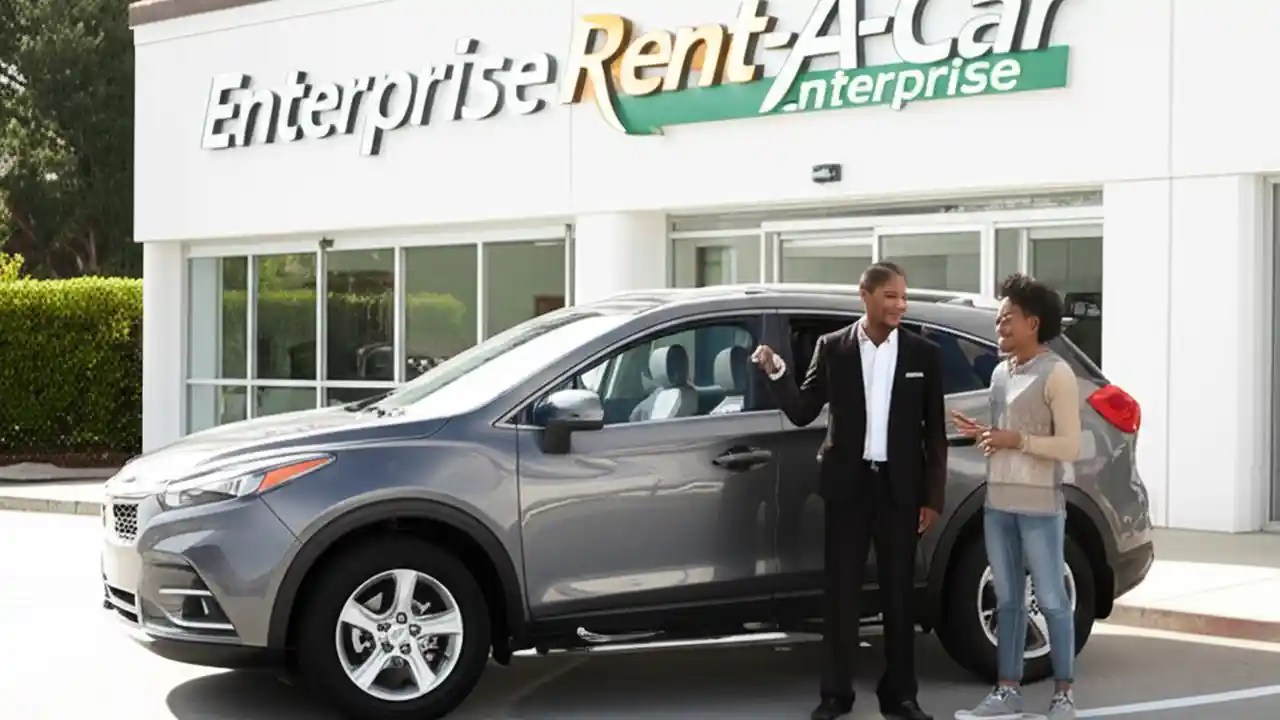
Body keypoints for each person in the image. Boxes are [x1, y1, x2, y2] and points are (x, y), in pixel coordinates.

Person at [751, 262, 946, 720]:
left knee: (900, 598)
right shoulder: (833, 348)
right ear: (866, 295)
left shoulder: (922, 354)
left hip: (899, 490)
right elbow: (802, 410)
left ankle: (901, 696)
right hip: (848, 489)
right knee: (841, 598)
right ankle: (835, 696)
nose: (900, 305)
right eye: (890, 296)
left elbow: (933, 433)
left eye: (903, 297)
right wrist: (778, 371)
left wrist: (932, 498)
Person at [952, 273, 1082, 720]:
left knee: (1051, 599)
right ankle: (1006, 692)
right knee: (1007, 601)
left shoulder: (1057, 373)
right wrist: (986, 438)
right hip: (997, 504)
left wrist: (1016, 440)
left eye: (1008, 320)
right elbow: (1004, 437)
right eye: (999, 320)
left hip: (1041, 507)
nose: (1000, 327)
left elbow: (1070, 446)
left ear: (1033, 322)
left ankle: (1063, 696)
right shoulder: (999, 373)